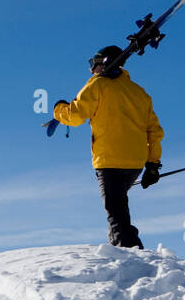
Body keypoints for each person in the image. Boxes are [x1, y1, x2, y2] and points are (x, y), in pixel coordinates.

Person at [52, 46, 164, 249]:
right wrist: (153, 165)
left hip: (109, 159)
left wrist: (59, 109)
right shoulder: (139, 93)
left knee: (116, 212)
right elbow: (154, 131)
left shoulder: (98, 85)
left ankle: (131, 254)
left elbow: (76, 115)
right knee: (118, 207)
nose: (91, 70)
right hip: (135, 162)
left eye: (92, 65)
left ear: (102, 63)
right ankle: (117, 249)